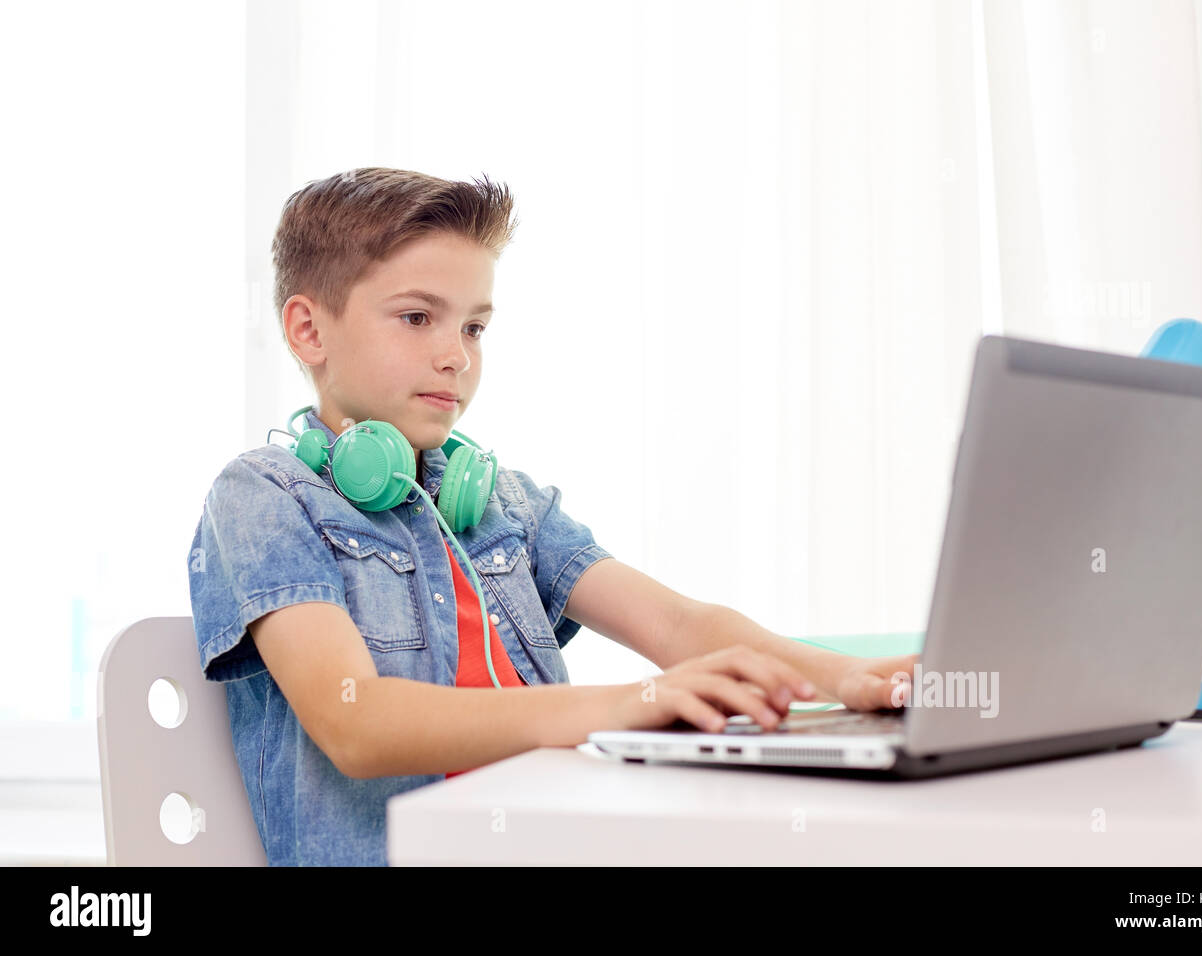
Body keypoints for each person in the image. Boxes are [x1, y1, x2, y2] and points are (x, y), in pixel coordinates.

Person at [187, 167, 916, 866]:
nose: (454, 356)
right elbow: (354, 721)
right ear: (309, 331)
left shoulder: (503, 502)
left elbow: (678, 627)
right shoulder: (266, 496)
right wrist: (631, 704)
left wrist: (847, 680)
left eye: (474, 328)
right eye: (417, 317)